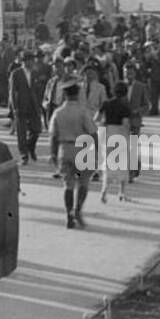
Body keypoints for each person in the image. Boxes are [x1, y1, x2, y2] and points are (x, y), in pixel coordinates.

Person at [49, 77, 95, 228]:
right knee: (83, 183)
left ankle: (68, 213)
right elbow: (92, 132)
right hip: (82, 149)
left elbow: (53, 136)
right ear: (78, 93)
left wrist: (54, 154)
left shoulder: (58, 112)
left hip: (64, 149)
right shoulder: (83, 111)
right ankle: (78, 210)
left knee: (67, 185)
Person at [95, 82, 132, 203]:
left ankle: (104, 192)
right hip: (120, 133)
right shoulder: (125, 107)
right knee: (122, 164)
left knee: (108, 163)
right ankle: (122, 192)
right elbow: (126, 124)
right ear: (125, 93)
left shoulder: (106, 104)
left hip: (106, 133)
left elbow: (97, 118)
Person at [9, 51, 41, 165]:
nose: (32, 62)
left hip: (33, 105)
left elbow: (38, 90)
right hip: (21, 105)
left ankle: (30, 147)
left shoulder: (35, 73)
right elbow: (12, 92)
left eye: (33, 60)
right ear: (24, 61)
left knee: (36, 130)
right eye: (29, 60)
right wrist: (13, 107)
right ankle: (24, 154)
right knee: (21, 132)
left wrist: (40, 105)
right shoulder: (16, 73)